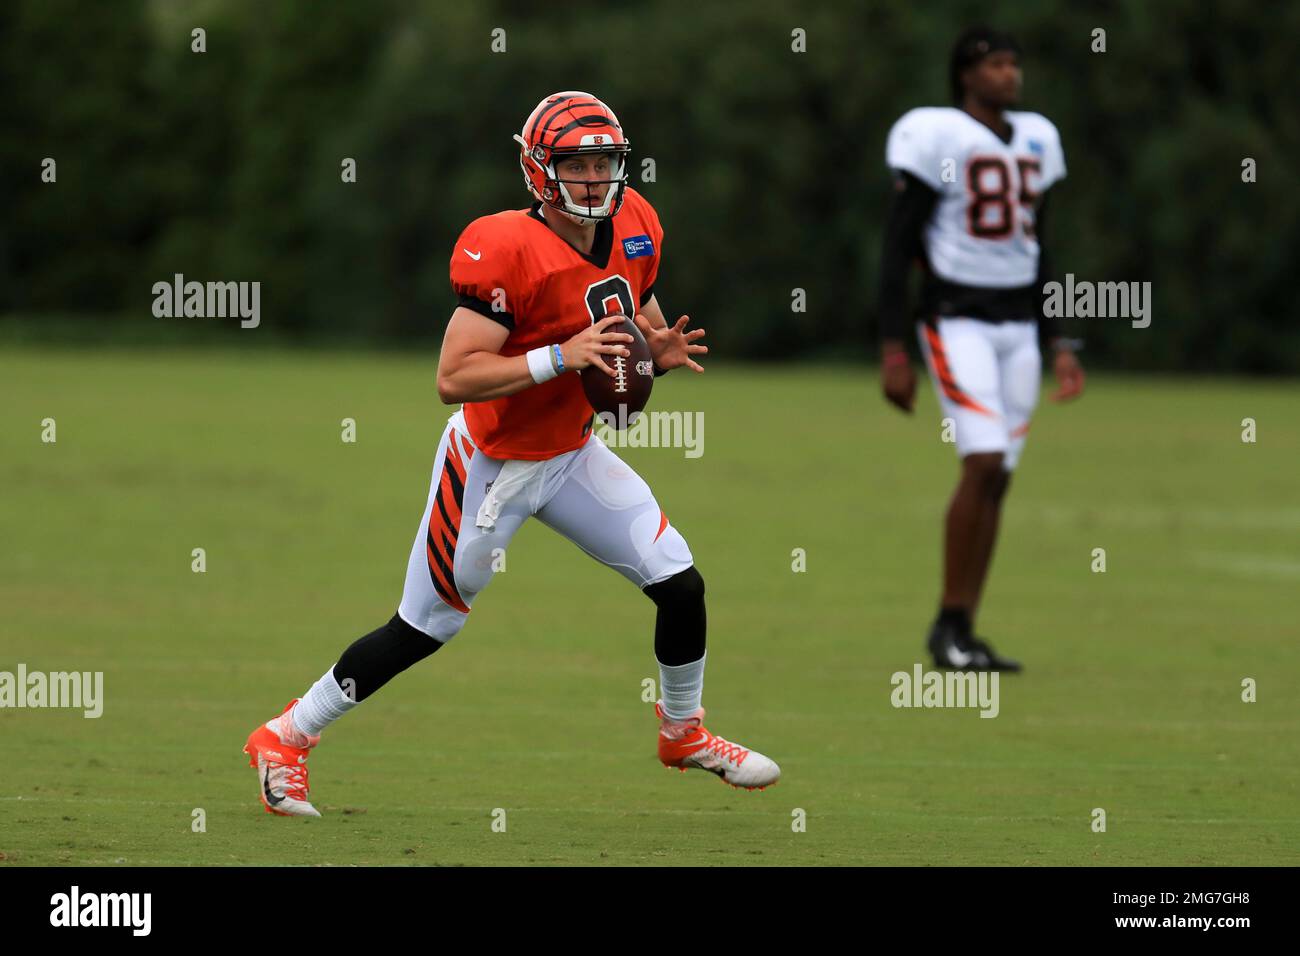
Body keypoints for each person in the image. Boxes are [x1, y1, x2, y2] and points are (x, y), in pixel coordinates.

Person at [243, 91, 780, 816]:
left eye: (604, 162)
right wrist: (560, 356)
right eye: (576, 164)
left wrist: (655, 346)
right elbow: (453, 378)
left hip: (570, 453)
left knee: (679, 581)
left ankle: (682, 732)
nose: (593, 179)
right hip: (491, 463)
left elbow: (632, 301)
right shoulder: (505, 247)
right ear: (538, 171)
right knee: (425, 625)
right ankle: (285, 736)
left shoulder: (638, 222)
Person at [877, 28, 1086, 672]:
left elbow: (1039, 244)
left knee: (999, 477)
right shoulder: (937, 134)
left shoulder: (1036, 137)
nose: (1010, 75)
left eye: (1014, 64)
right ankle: (946, 625)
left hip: (1019, 323)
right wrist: (893, 345)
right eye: (996, 64)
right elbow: (898, 242)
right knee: (983, 459)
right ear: (965, 74)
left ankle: (963, 625)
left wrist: (1060, 341)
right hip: (955, 316)